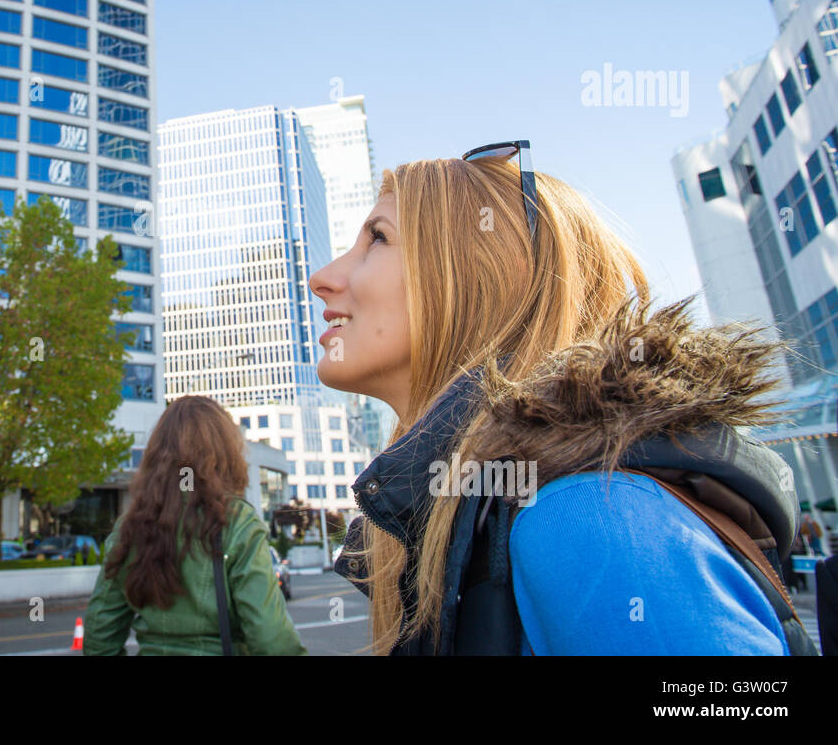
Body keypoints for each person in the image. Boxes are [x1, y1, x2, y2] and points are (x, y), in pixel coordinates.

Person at [312, 145, 816, 655]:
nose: (322, 278)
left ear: (488, 275)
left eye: (378, 238)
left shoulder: (585, 516)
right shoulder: (484, 512)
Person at [83, 395, 307, 655]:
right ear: (226, 453)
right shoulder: (237, 522)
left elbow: (99, 637)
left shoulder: (130, 527)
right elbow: (272, 641)